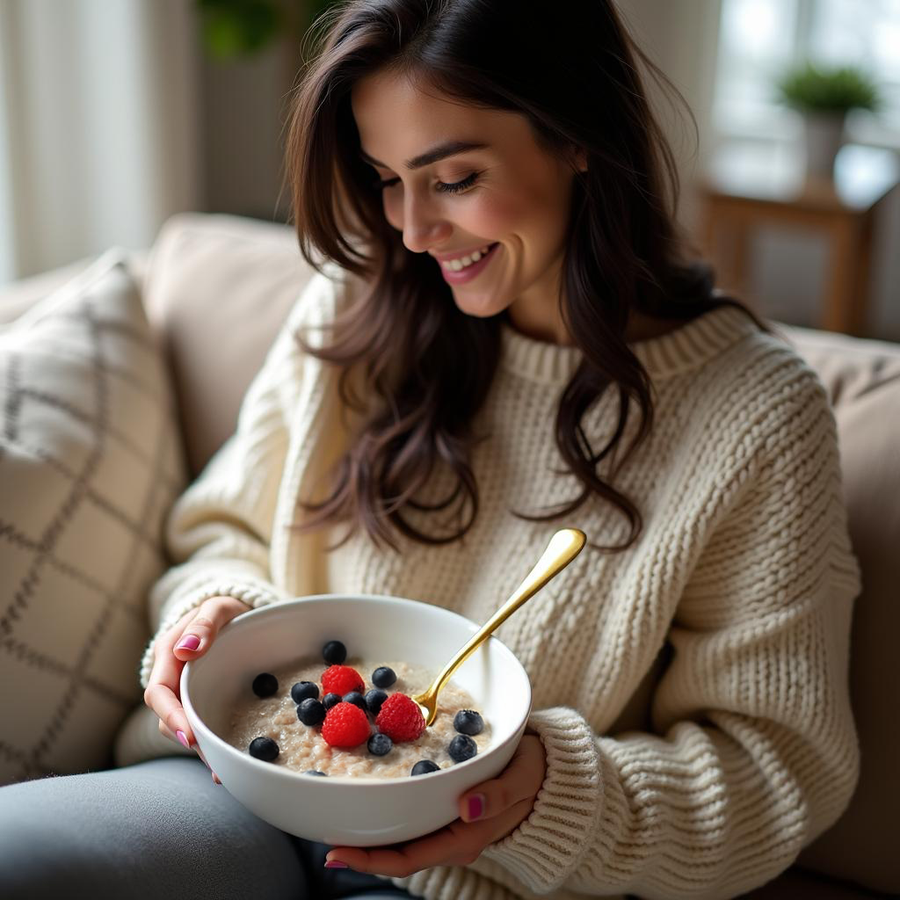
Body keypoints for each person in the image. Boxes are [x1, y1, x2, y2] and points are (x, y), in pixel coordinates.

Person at [0, 1, 863, 898]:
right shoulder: (355, 306)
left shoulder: (757, 415)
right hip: (232, 798)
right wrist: (221, 616)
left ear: (577, 137)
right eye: (385, 178)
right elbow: (220, 533)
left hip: (470, 874)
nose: (412, 232)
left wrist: (550, 795)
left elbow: (777, 769)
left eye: (452, 178)